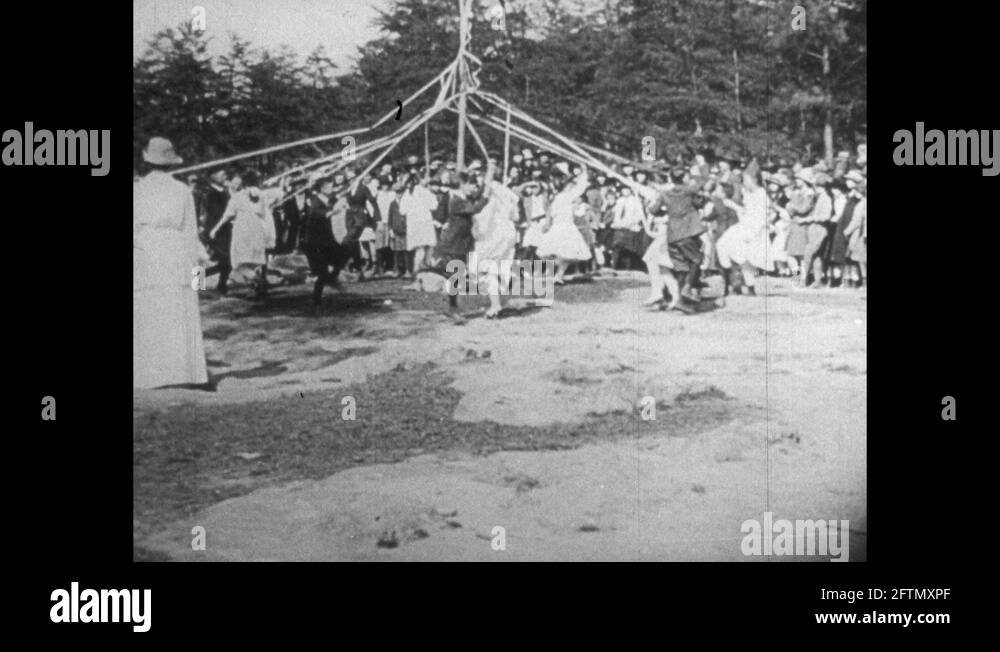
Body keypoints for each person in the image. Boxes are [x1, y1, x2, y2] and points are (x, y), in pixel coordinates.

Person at [134, 137, 208, 388]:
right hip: (177, 252)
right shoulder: (183, 190)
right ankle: (182, 372)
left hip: (147, 252)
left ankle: (150, 374)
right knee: (177, 307)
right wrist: (200, 282)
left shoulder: (138, 189)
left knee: (150, 308)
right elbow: (192, 232)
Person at [209, 170, 269, 300]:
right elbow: (262, 213)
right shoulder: (260, 195)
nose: (235, 185)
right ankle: (202, 287)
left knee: (233, 262)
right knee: (216, 262)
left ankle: (208, 287)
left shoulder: (237, 196)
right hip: (253, 229)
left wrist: (215, 229)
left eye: (238, 183)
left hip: (239, 230)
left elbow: (227, 214)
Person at [716, 163, 774, 296]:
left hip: (754, 229)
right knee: (726, 247)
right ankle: (741, 281)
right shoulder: (748, 193)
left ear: (754, 179)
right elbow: (746, 212)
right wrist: (732, 205)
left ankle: (797, 281)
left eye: (746, 180)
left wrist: (753, 234)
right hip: (745, 225)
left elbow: (761, 216)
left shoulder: (761, 193)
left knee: (746, 258)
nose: (744, 183)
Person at [536, 164, 592, 285]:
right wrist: (547, 223)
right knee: (546, 252)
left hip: (567, 227)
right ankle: (550, 273)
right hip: (556, 226)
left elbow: (581, 187)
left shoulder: (568, 196)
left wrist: (584, 172)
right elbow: (549, 212)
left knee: (568, 253)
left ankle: (558, 275)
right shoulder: (554, 196)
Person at [299, 176, 347, 314]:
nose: (332, 188)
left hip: (325, 241)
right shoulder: (316, 201)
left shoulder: (326, 200)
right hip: (314, 244)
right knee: (322, 273)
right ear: (321, 189)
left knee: (343, 255)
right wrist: (334, 211)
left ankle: (331, 279)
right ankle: (317, 303)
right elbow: (320, 214)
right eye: (329, 186)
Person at [400, 171, 439, 284]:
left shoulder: (408, 192)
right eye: (426, 178)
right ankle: (419, 271)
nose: (428, 180)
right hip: (423, 222)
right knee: (428, 247)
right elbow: (434, 205)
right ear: (421, 179)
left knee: (420, 249)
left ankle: (418, 270)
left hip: (413, 224)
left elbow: (402, 210)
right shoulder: (425, 192)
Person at [200, 168, 232, 295]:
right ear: (213, 175)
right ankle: (197, 283)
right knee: (204, 258)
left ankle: (221, 285)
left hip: (225, 230)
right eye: (222, 173)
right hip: (213, 231)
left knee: (227, 261)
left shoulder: (225, 191)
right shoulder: (207, 192)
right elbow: (214, 212)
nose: (225, 176)